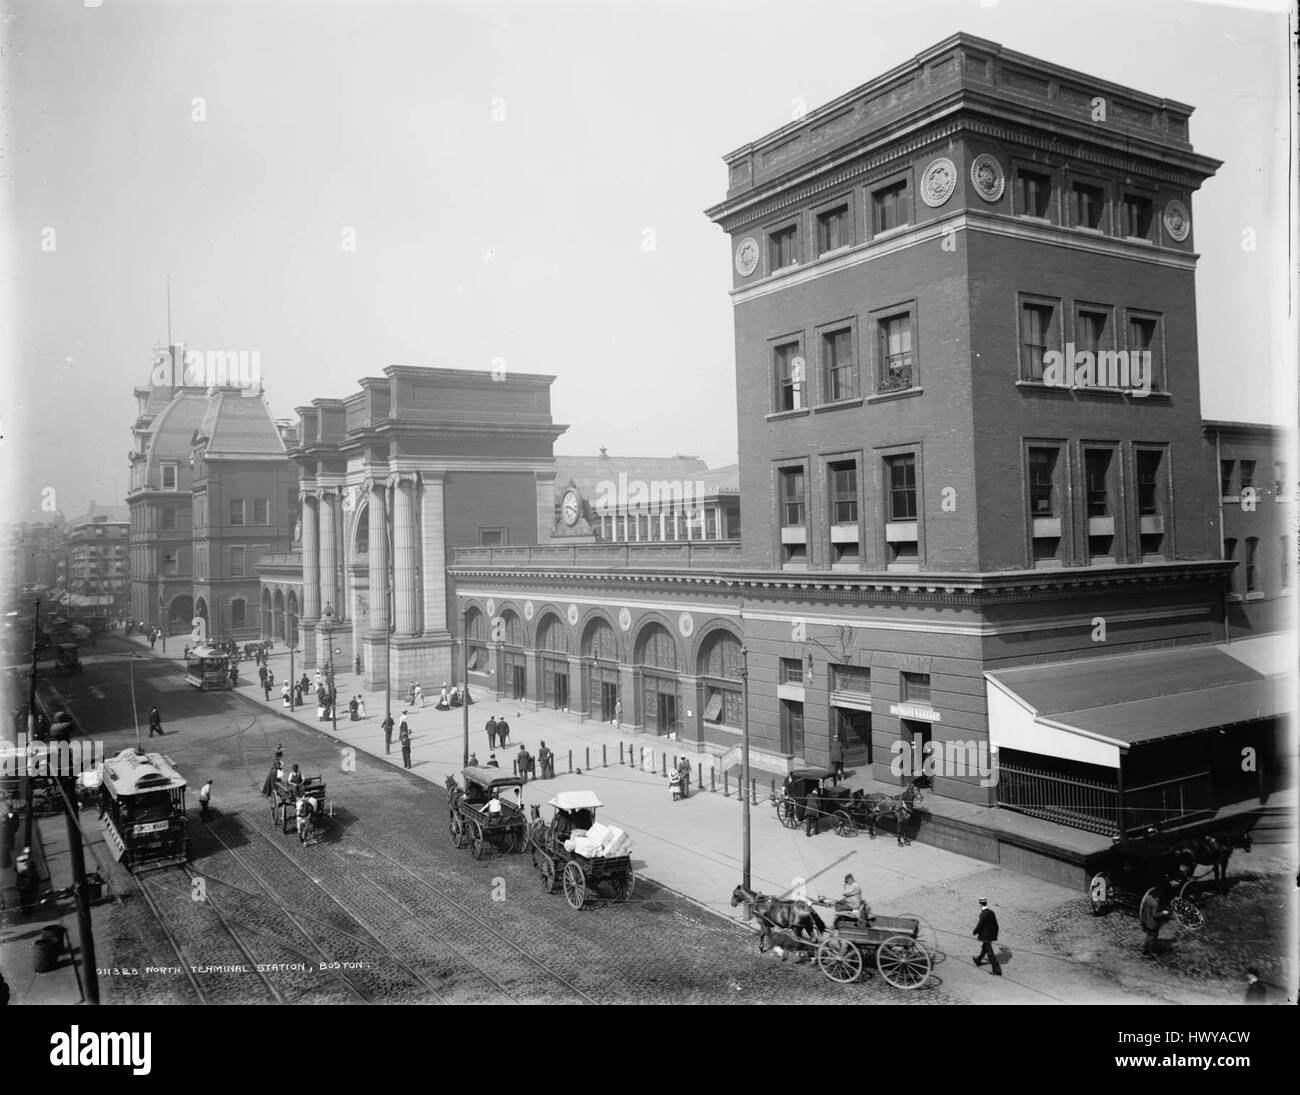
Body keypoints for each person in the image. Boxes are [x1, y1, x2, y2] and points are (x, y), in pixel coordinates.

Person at [1139, 884, 1172, 959]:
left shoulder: (1148, 898)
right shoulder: (1155, 904)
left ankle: (1144, 949)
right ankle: (1151, 953)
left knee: (1148, 936)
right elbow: (1155, 915)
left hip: (1146, 921)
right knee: (1153, 938)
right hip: (1153, 924)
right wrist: (1163, 913)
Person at [973, 898, 1002, 975]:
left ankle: (997, 970)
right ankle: (978, 960)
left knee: (990, 953)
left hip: (986, 936)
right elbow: (996, 925)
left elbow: (980, 924)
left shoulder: (983, 914)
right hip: (991, 935)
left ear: (980, 904)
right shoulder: (992, 912)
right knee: (984, 948)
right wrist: (994, 934)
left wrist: (975, 931)